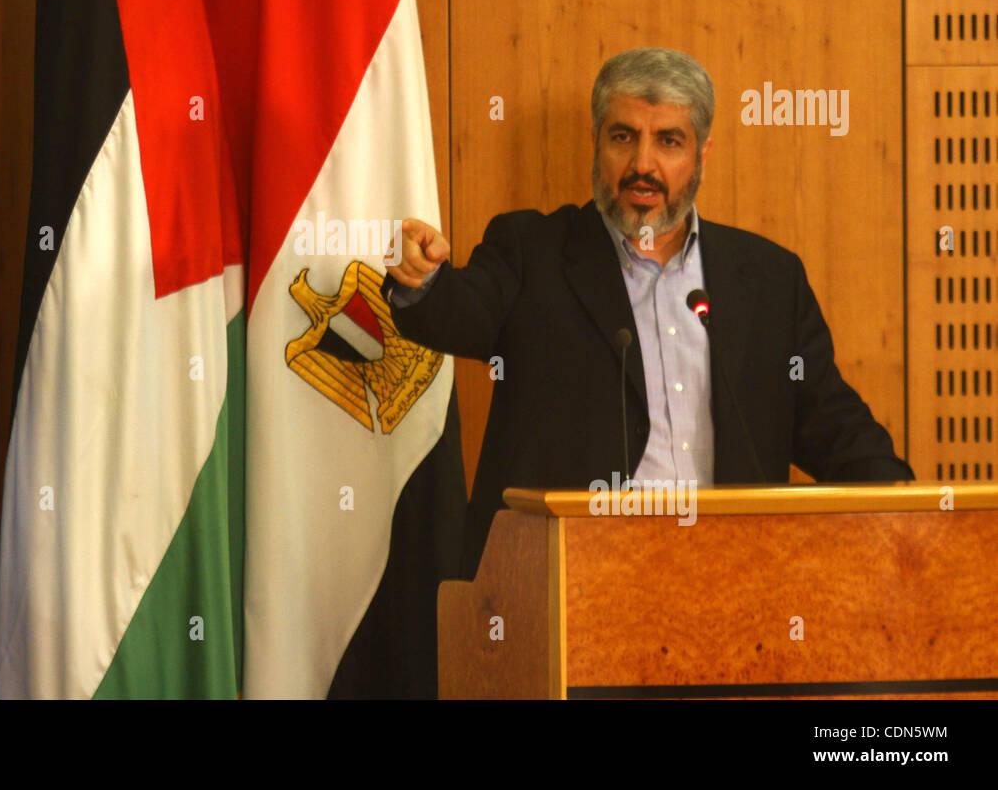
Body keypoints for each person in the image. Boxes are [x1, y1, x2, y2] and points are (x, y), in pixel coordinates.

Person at [383, 47, 913, 578]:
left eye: (669, 141)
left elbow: (831, 424)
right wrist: (423, 280)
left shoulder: (769, 279)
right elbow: (461, 313)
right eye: (623, 137)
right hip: (571, 581)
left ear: (701, 156)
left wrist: (913, 508)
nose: (643, 164)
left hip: (732, 581)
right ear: (597, 145)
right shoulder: (533, 252)